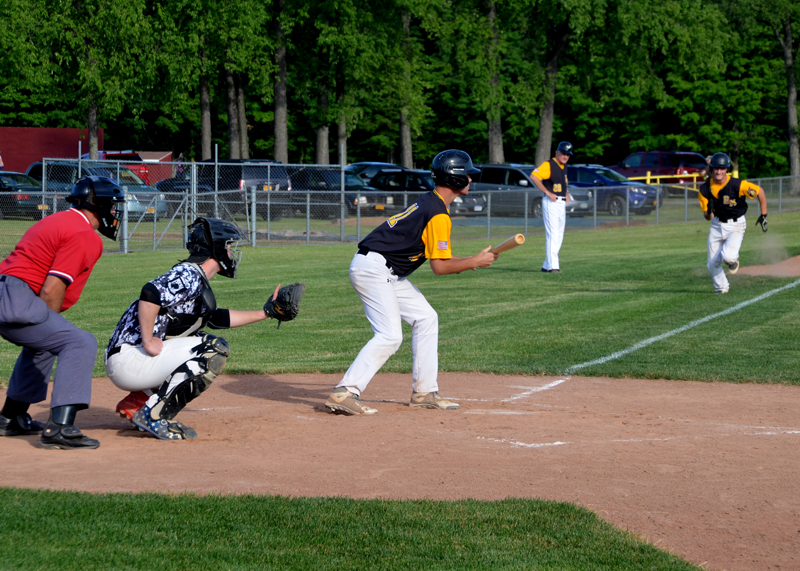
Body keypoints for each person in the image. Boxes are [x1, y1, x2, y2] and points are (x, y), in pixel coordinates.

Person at [324, 149, 498, 416]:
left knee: (426, 318)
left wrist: (472, 260)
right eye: (467, 175)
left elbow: (442, 257)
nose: (471, 180)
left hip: (384, 270)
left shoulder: (432, 203)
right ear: (454, 179)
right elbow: (440, 267)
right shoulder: (438, 213)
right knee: (390, 336)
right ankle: (345, 392)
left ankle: (425, 392)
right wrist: (475, 261)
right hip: (374, 269)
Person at [106, 217, 285, 440]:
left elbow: (216, 318)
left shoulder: (195, 277)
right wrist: (148, 340)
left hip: (128, 359)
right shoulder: (189, 274)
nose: (231, 252)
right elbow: (150, 292)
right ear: (216, 248)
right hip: (130, 360)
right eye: (229, 246)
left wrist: (266, 312)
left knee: (198, 337)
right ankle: (154, 415)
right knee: (212, 349)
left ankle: (141, 400)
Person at [0, 176, 125, 449]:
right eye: (113, 205)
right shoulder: (84, 234)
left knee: (44, 345)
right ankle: (59, 428)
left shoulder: (57, 220)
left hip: (7, 293)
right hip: (17, 299)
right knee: (80, 342)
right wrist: (49, 319)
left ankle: (10, 418)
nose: (115, 211)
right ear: (99, 205)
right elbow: (51, 289)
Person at [698, 152, 768, 294]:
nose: (719, 171)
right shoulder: (705, 189)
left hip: (736, 224)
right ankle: (721, 288)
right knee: (712, 263)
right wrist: (709, 210)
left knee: (728, 257)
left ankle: (733, 261)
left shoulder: (737, 185)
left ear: (727, 169)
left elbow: (759, 191)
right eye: (716, 168)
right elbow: (708, 217)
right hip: (716, 225)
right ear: (711, 169)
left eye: (722, 168)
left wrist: (764, 215)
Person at [530, 141, 574, 272]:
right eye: (563, 153)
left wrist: (566, 193)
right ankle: (553, 266)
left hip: (561, 203)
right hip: (551, 203)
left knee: (559, 235)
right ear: (557, 152)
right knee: (553, 234)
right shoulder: (549, 164)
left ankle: (546, 265)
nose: (565, 156)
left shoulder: (564, 166)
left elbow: (563, 183)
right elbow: (534, 176)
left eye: (568, 154)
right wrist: (548, 192)